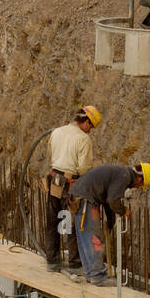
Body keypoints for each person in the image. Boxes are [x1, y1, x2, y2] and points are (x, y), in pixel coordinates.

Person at [67, 162, 150, 287]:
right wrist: (124, 211)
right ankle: (97, 276)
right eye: (140, 185)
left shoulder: (120, 172)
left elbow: (107, 199)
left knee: (85, 239)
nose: (137, 187)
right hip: (85, 200)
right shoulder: (125, 177)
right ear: (140, 179)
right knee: (94, 239)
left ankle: (91, 274)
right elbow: (112, 200)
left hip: (79, 197)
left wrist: (110, 220)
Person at [44, 105, 101, 272]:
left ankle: (52, 260)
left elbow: (50, 155)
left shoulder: (57, 132)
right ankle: (75, 263)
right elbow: (84, 168)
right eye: (91, 126)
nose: (90, 131)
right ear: (86, 121)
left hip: (55, 181)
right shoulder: (83, 139)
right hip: (71, 184)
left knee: (53, 220)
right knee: (73, 223)